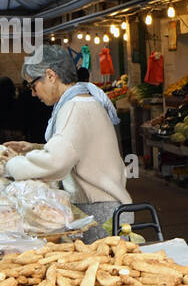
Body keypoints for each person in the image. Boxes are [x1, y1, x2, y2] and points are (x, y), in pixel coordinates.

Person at [4, 45, 129, 241]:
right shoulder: (82, 101)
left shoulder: (75, 107)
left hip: (98, 210)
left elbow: (57, 162)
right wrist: (35, 148)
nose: (33, 93)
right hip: (101, 206)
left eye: (32, 85)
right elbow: (75, 149)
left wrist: (12, 164)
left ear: (50, 76)